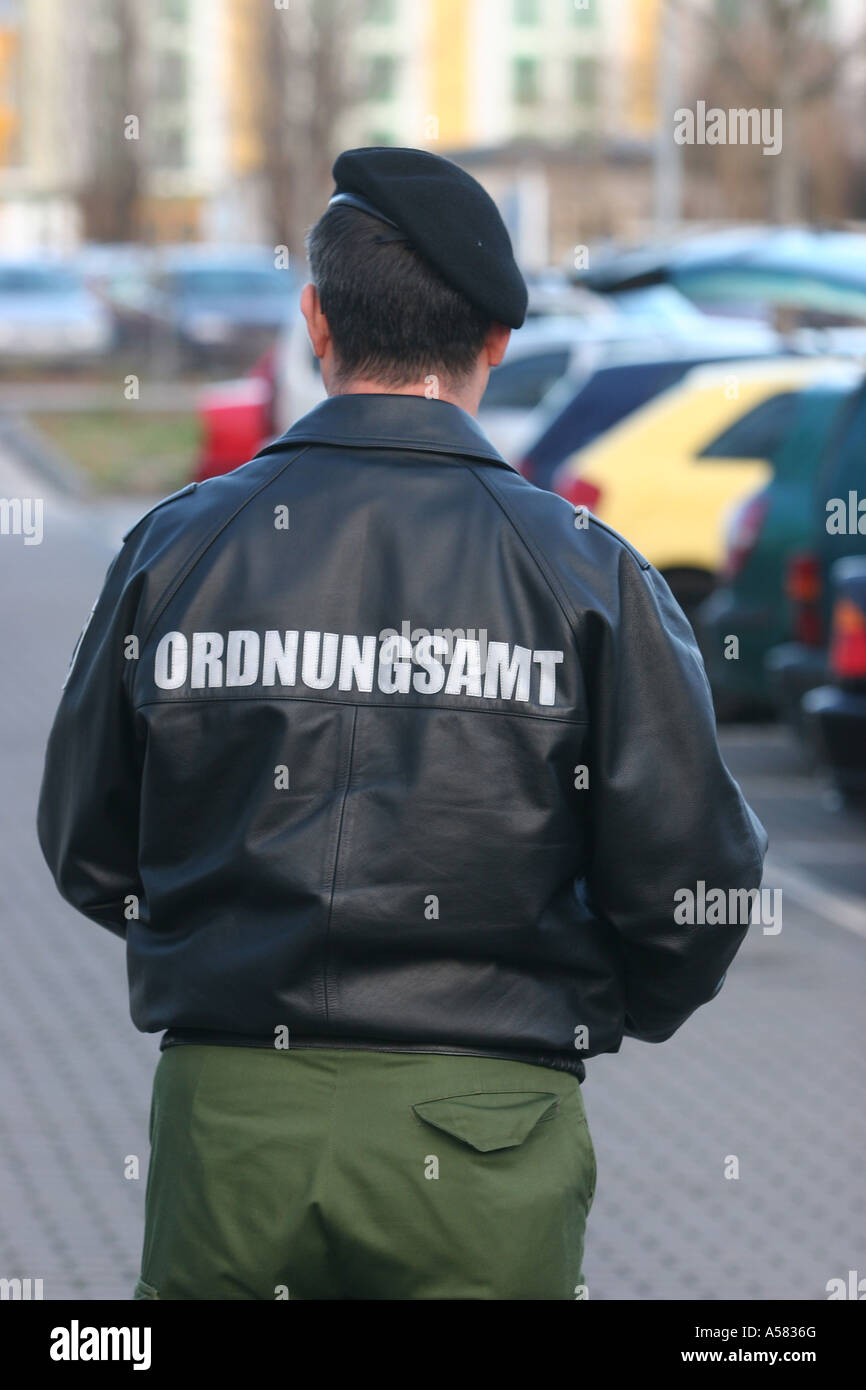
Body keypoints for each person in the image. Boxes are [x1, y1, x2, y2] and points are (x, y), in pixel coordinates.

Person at [37, 147, 767, 1301]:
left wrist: (218, 941)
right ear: (494, 340)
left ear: (313, 322)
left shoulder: (177, 549)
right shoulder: (584, 574)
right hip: (488, 1128)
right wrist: (580, 1007)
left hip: (232, 1125)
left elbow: (85, 844)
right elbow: (692, 882)